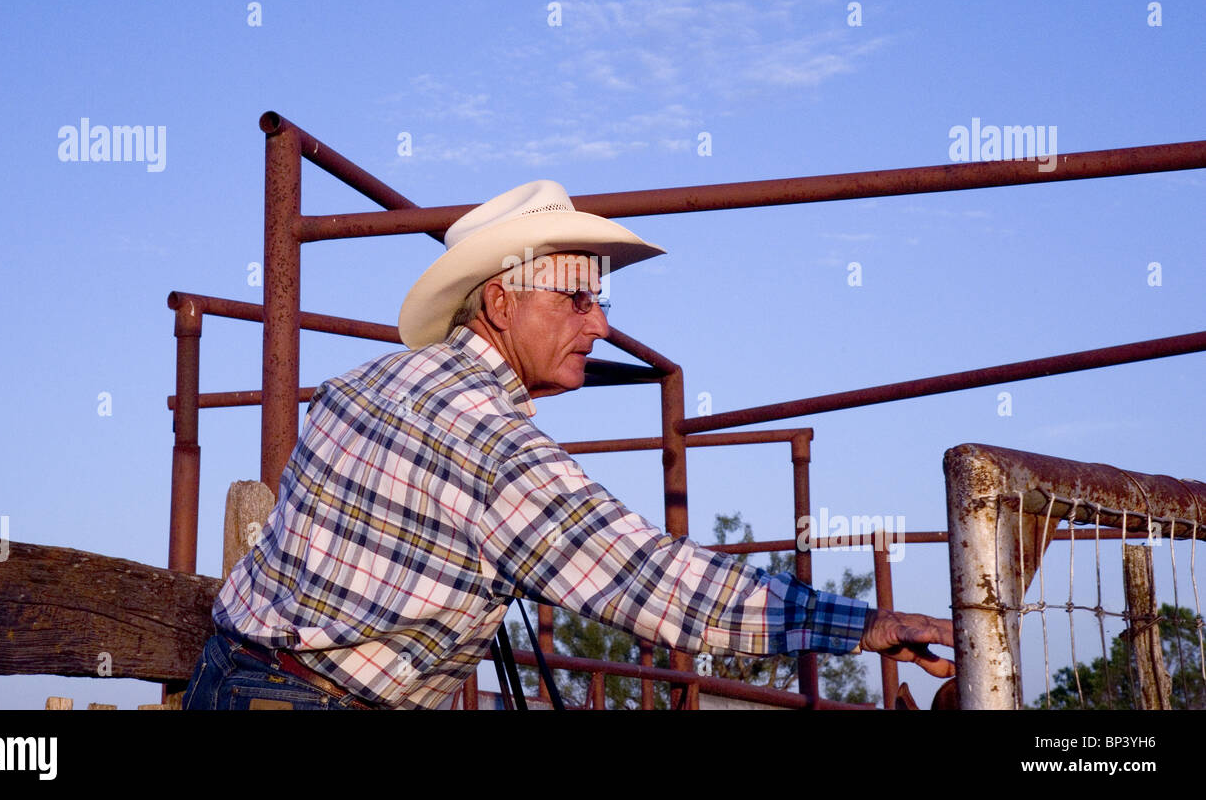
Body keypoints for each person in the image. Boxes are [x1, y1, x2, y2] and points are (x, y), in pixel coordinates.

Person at [183, 180, 953, 710]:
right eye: (579, 297)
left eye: (603, 298)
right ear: (499, 302)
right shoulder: (497, 450)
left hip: (222, 676)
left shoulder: (362, 383)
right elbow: (662, 586)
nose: (603, 323)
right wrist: (865, 625)